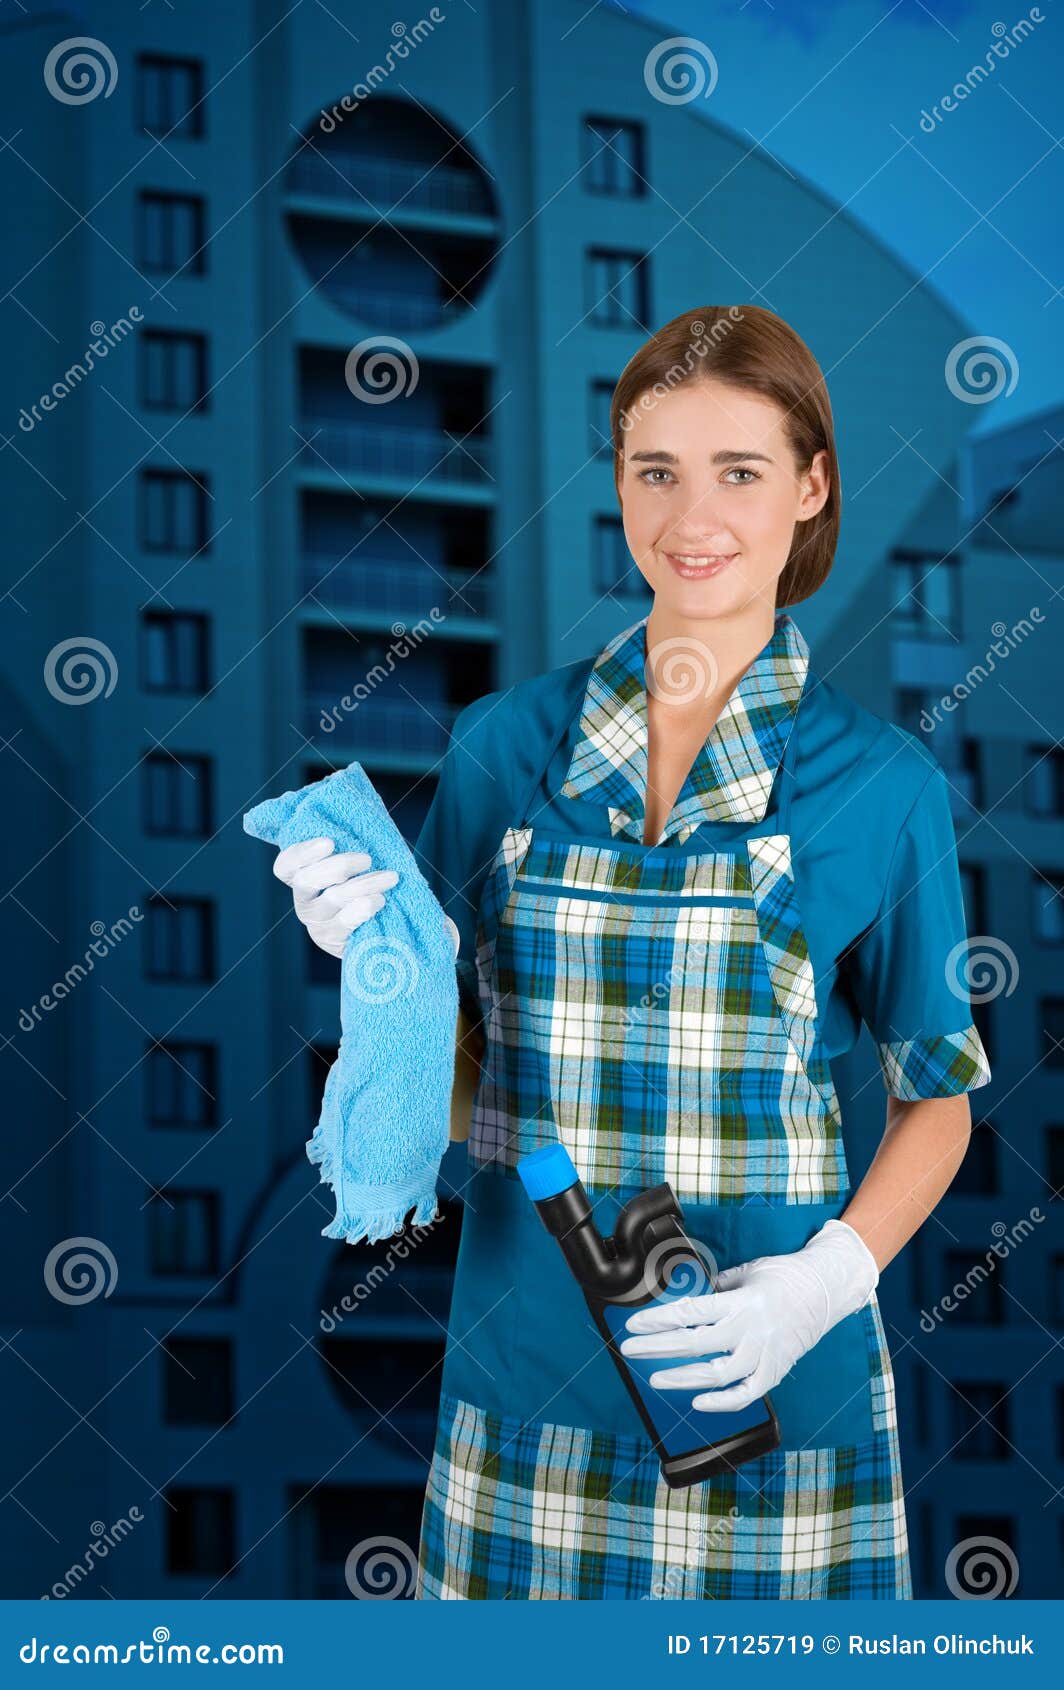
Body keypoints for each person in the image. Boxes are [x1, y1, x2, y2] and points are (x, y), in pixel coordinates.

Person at [273, 305, 991, 1600]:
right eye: (657, 470)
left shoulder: (882, 786)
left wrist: (825, 1282)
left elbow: (937, 1099)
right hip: (525, 1401)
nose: (691, 516)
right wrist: (378, 971)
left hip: (776, 1407)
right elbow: (459, 1085)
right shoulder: (505, 747)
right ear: (617, 480)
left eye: (740, 471)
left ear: (813, 486)